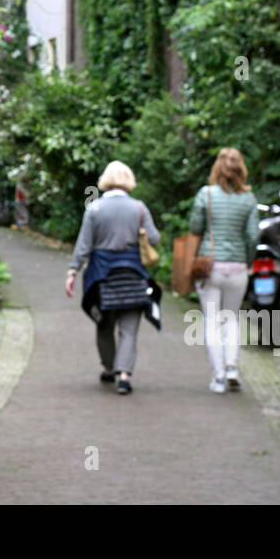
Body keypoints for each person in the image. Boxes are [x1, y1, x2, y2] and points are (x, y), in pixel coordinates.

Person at [66, 160, 162, 395]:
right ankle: (124, 375)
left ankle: (109, 368)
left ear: (105, 180)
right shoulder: (139, 208)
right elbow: (155, 239)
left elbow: (83, 246)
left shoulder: (94, 208)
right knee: (129, 328)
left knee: (104, 324)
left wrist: (72, 271)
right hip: (132, 275)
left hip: (101, 276)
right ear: (129, 180)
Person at [189, 147, 260, 394]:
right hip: (238, 267)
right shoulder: (249, 199)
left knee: (211, 322)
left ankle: (218, 378)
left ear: (217, 167)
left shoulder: (206, 194)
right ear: (241, 169)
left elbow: (195, 226)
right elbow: (253, 236)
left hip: (211, 267)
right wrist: (248, 262)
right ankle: (232, 368)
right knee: (231, 319)